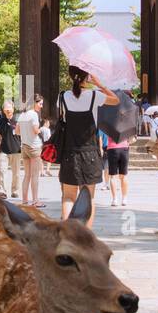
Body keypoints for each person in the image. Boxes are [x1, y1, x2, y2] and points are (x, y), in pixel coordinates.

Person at [57, 67, 119, 225]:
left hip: (69, 152)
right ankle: (85, 236)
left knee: (68, 197)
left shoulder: (63, 97)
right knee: (89, 197)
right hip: (90, 153)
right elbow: (115, 100)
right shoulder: (94, 95)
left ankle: (67, 235)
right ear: (87, 76)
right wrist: (100, 85)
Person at [17, 93, 44, 207]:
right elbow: (35, 130)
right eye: (40, 104)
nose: (41, 106)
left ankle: (24, 200)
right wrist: (41, 130)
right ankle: (35, 200)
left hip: (24, 146)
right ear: (35, 103)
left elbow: (17, 131)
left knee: (27, 175)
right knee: (35, 175)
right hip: (34, 147)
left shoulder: (22, 115)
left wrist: (25, 133)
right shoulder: (34, 115)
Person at [0, 100, 21, 198]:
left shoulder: (18, 120)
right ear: (3, 110)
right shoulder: (1, 121)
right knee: (2, 171)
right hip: (3, 150)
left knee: (16, 173)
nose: (8, 111)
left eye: (9, 109)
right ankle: (3, 191)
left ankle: (15, 190)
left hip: (16, 150)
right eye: (6, 109)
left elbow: (23, 134)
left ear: (13, 109)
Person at [106, 131, 130, 208]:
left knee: (113, 176)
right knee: (124, 176)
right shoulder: (125, 124)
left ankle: (114, 199)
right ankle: (124, 198)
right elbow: (131, 137)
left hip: (112, 148)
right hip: (124, 148)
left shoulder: (109, 123)